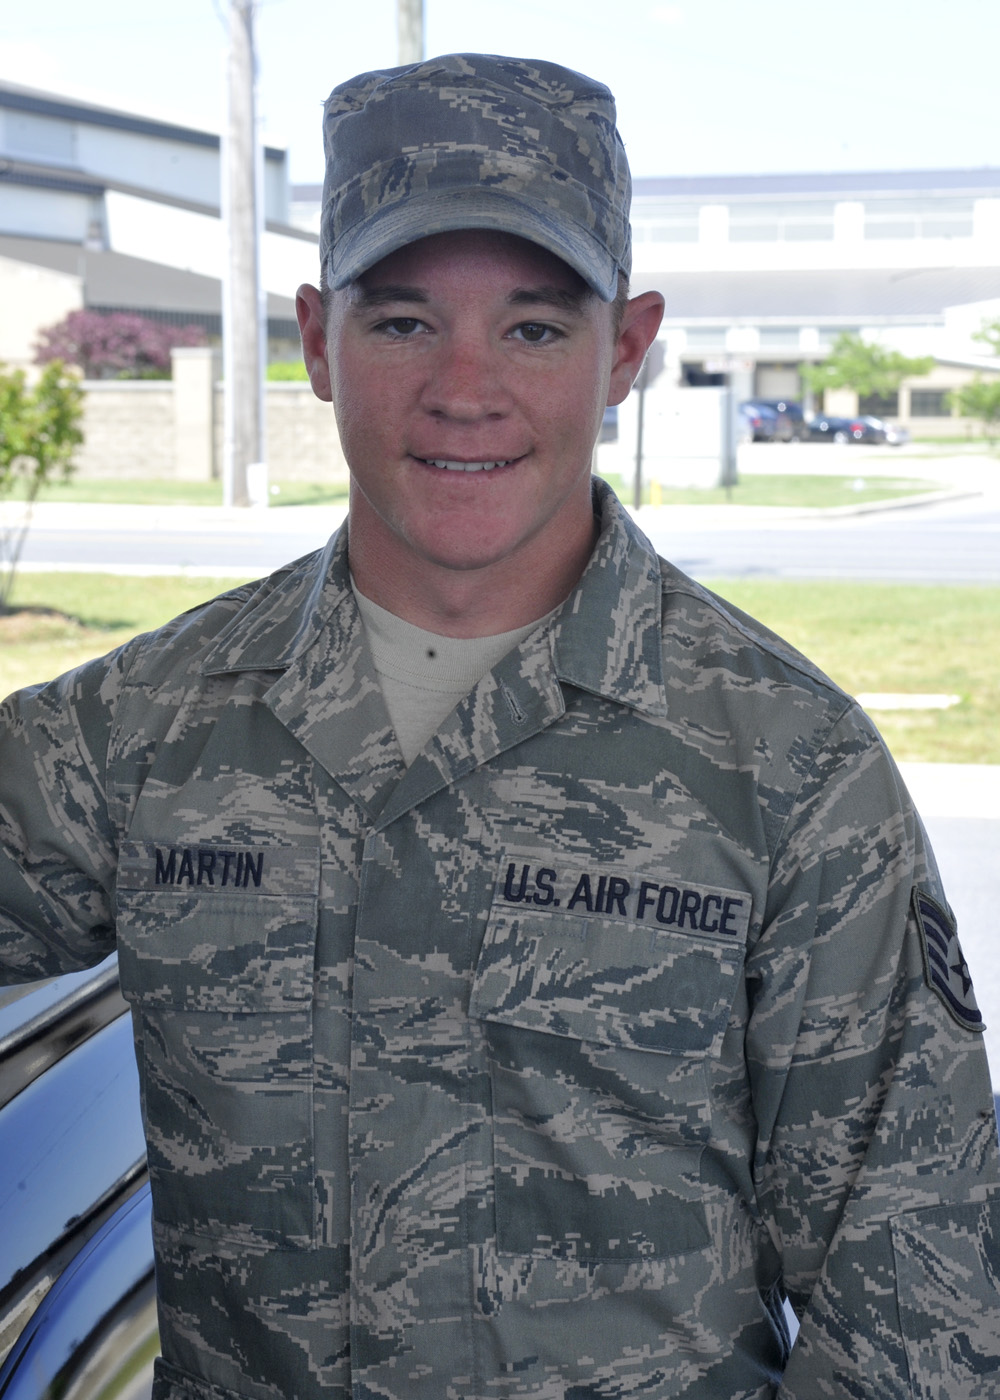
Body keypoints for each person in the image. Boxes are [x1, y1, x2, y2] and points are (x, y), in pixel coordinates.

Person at [1, 51, 998, 1400]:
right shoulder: (134, 735)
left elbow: (921, 1308)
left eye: (533, 328)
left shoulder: (790, 770)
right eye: (405, 322)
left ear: (626, 350)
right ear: (314, 340)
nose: (464, 387)